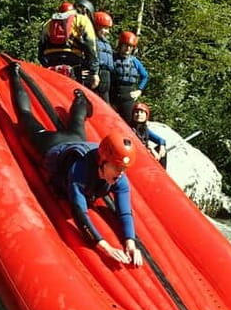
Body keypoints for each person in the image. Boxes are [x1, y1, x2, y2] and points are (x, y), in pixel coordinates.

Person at [9, 62, 142, 266]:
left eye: (123, 168)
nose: (121, 173)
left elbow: (124, 211)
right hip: (51, 144)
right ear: (103, 161)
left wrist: (130, 242)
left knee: (78, 122)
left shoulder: (119, 178)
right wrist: (104, 246)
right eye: (117, 167)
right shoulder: (79, 172)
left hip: (77, 141)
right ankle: (14, 75)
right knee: (25, 117)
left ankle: (81, 98)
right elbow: (79, 213)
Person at [38, 1, 99, 89]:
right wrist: (94, 72)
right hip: (73, 62)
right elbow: (91, 47)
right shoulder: (81, 19)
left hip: (51, 62)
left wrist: (46, 65)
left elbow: (41, 49)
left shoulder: (48, 23)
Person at [110, 30, 148, 124]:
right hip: (112, 95)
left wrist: (139, 90)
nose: (128, 48)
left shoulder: (134, 61)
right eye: (126, 45)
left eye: (130, 46)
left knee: (129, 122)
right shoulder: (111, 58)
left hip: (128, 96)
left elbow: (145, 76)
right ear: (120, 45)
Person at [130, 102, 167, 169]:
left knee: (161, 148)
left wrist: (162, 146)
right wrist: (151, 150)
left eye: (142, 112)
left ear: (146, 115)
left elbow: (161, 140)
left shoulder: (145, 129)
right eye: (136, 112)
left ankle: (162, 171)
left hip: (145, 155)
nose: (139, 114)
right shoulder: (129, 127)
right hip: (134, 155)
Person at [93, 10, 114, 102]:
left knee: (106, 104)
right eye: (105, 28)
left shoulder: (106, 43)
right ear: (97, 26)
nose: (107, 32)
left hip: (106, 77)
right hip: (97, 75)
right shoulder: (91, 41)